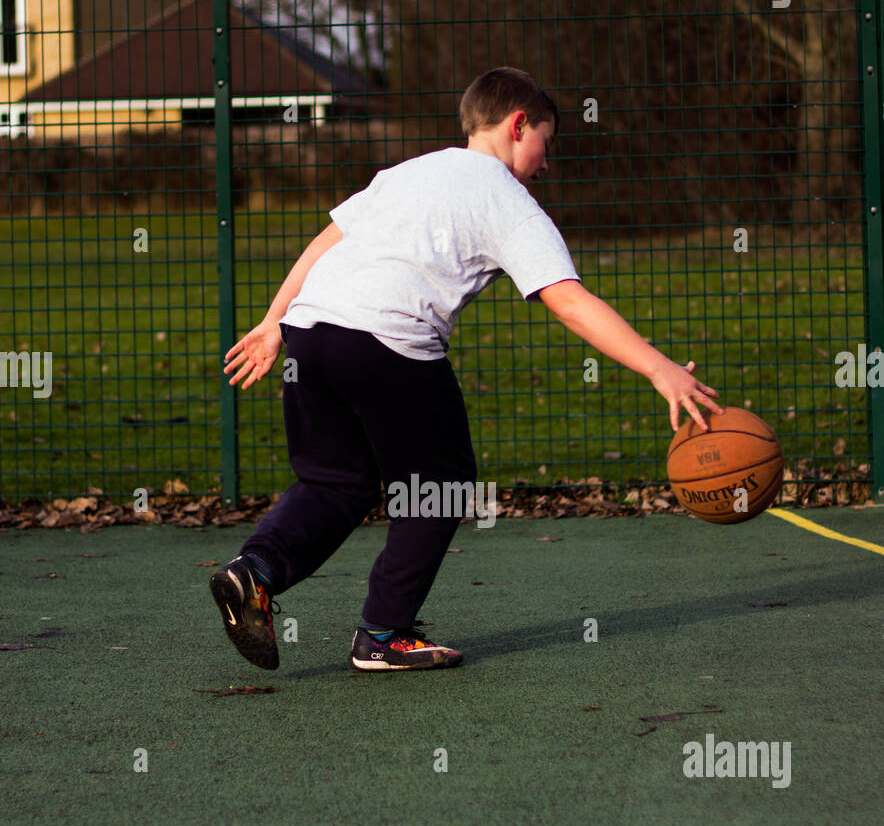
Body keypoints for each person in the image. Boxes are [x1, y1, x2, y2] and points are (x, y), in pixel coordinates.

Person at [210, 67, 719, 672]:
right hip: (387, 341)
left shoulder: (408, 171)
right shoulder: (508, 201)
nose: (546, 164)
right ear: (518, 123)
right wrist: (660, 368)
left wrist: (274, 322)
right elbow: (569, 300)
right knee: (441, 485)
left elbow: (327, 241)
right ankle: (383, 635)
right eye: (545, 144)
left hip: (312, 333)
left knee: (335, 482)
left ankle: (255, 572)